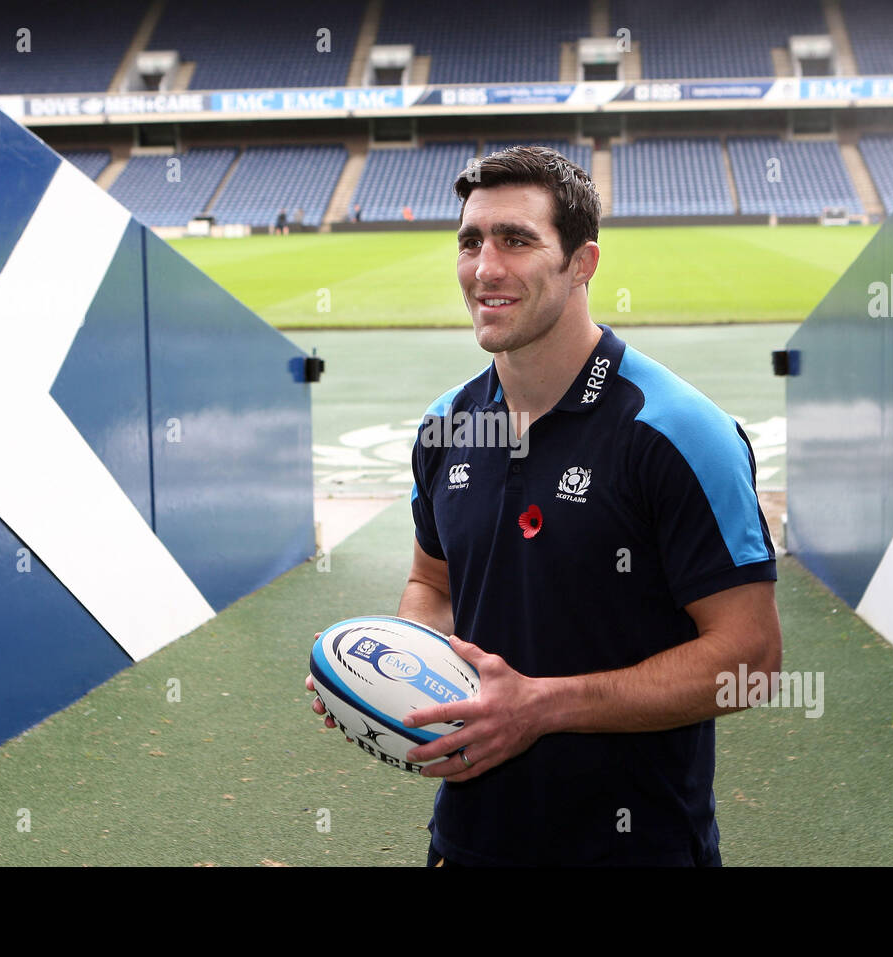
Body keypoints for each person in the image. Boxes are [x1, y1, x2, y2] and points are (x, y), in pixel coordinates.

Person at [307, 146, 781, 866]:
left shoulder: (679, 431)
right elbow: (433, 585)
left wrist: (540, 705)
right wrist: (394, 676)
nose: (485, 268)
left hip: (636, 847)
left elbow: (751, 656)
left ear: (583, 263)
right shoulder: (446, 425)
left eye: (517, 240)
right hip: (468, 839)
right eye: (471, 241)